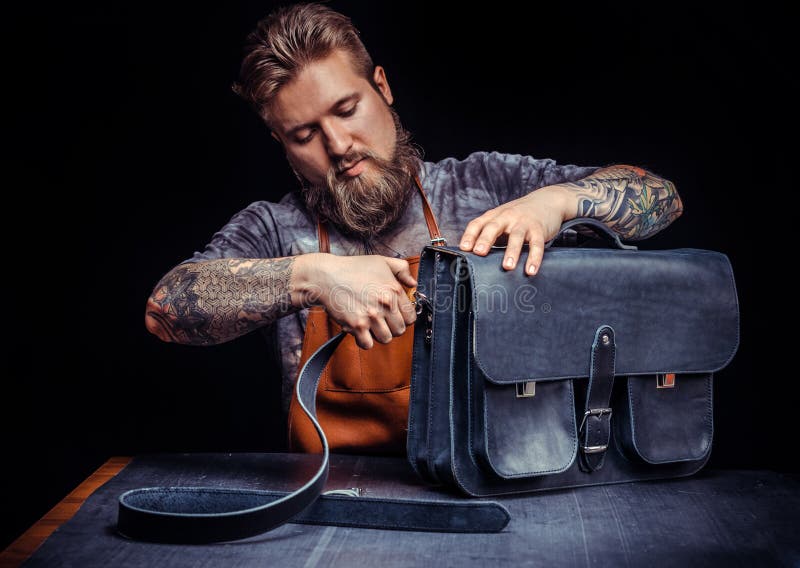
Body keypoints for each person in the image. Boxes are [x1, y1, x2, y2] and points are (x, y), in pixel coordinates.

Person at [145, 2, 683, 453]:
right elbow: (166, 309)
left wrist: (559, 201)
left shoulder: (487, 183)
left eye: (347, 109)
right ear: (281, 144)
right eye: (304, 134)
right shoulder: (273, 227)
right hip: (335, 501)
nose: (338, 145)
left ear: (382, 87)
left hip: (500, 483)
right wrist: (312, 277)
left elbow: (663, 198)